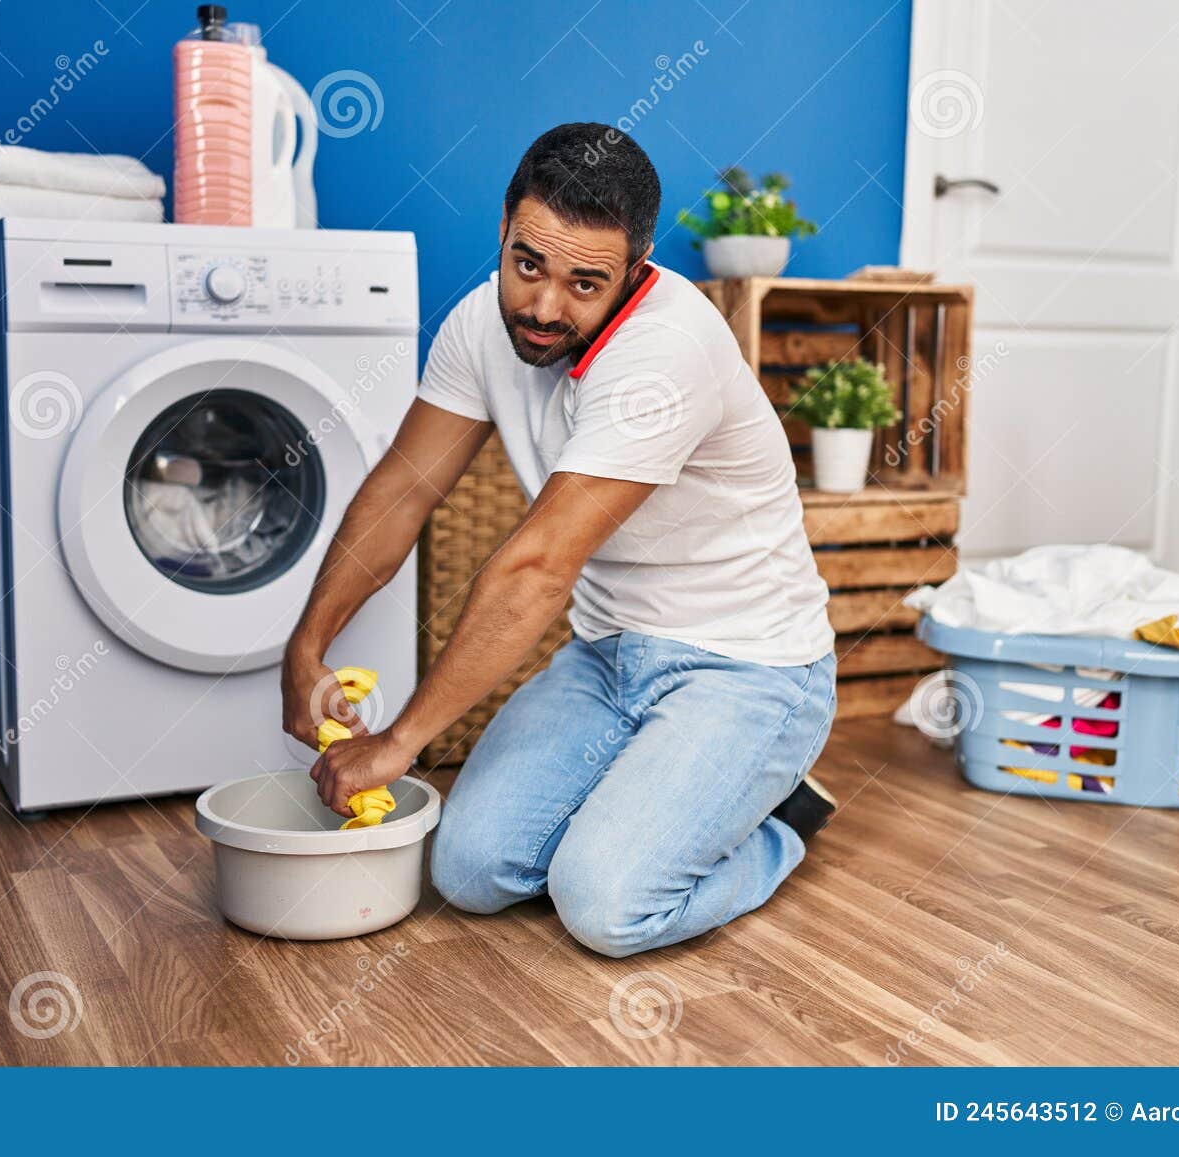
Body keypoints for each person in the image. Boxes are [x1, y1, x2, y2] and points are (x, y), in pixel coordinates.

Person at [281, 122, 837, 958]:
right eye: (528, 265)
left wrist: (398, 742)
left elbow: (537, 568)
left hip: (748, 669)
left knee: (606, 906)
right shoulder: (480, 325)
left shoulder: (663, 355)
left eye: (585, 283)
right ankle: (655, 801)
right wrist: (306, 642)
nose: (543, 306)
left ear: (639, 266)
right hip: (608, 657)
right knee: (468, 872)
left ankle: (777, 819)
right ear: (503, 226)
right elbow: (403, 490)